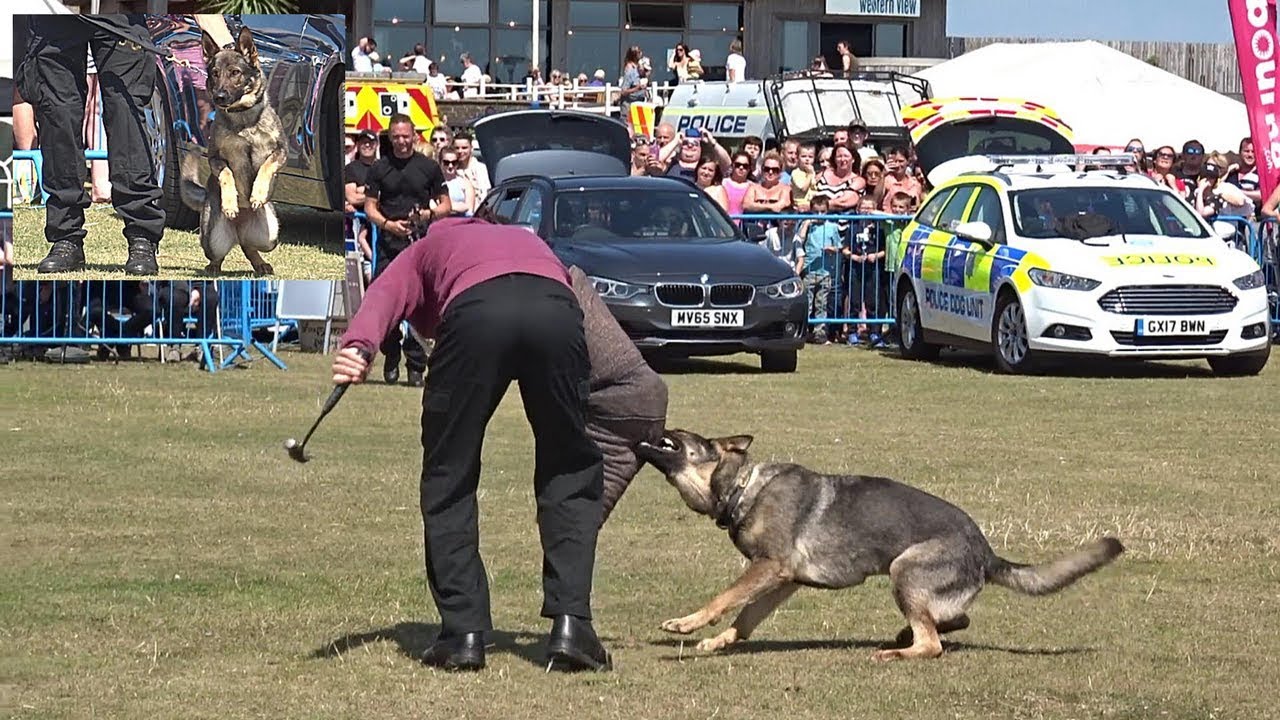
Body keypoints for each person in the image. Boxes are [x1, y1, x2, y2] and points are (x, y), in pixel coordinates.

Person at [330, 215, 614, 673]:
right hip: (556, 312)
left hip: (475, 313)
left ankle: (462, 633)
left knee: (450, 473)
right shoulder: (531, 243)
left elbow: (385, 291)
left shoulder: (427, 247)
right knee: (569, 467)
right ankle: (573, 625)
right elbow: (584, 312)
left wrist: (359, 346)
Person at [20, 14, 166, 275]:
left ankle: (142, 237)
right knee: (58, 117)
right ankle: (66, 237)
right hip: (53, 16)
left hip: (119, 13)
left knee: (126, 116)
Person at [362, 114, 452, 387]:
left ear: (414, 136)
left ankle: (416, 366)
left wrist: (427, 215)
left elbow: (446, 205)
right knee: (386, 304)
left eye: (405, 136)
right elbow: (370, 207)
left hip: (420, 245)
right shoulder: (379, 168)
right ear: (390, 138)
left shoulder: (429, 167)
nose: (401, 142)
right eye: (396, 137)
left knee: (420, 305)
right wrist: (387, 224)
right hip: (389, 246)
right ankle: (391, 353)